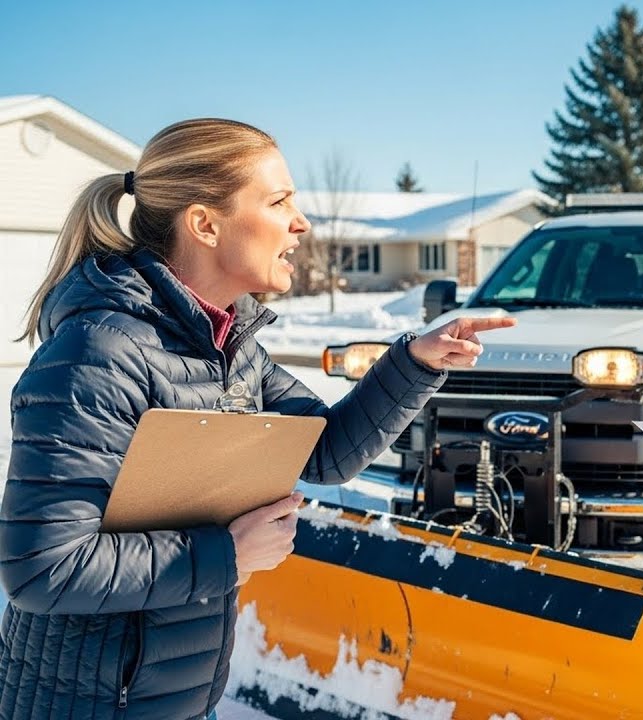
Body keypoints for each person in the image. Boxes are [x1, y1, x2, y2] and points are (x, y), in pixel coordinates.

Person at [0, 118, 515, 720]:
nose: (301, 224)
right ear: (205, 224)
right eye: (278, 202)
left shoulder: (229, 344)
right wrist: (227, 556)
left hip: (181, 699)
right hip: (84, 707)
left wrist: (414, 363)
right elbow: (42, 567)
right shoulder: (99, 354)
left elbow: (323, 454)